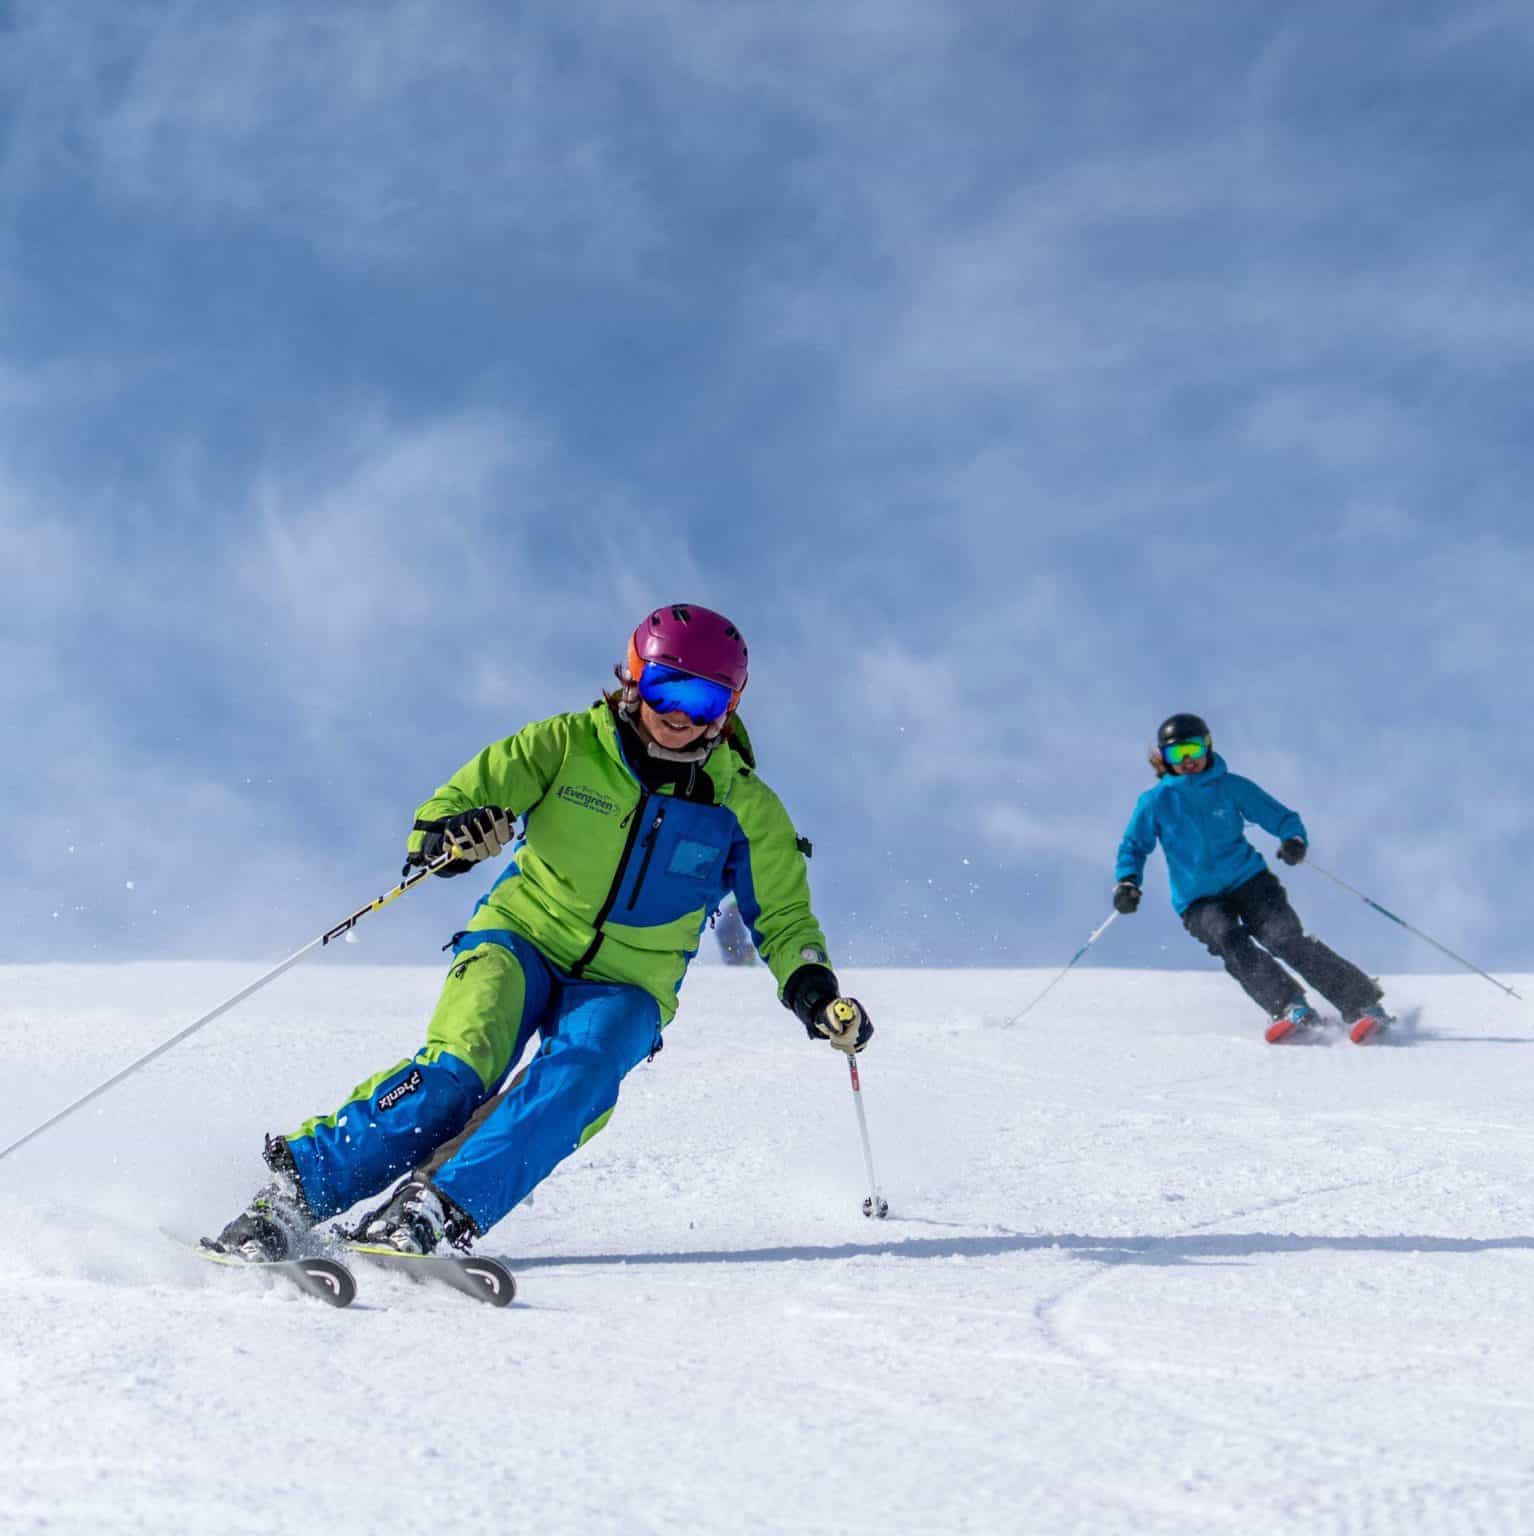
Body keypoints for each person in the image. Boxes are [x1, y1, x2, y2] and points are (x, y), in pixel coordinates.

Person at [209, 603, 872, 1260]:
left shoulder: (747, 808)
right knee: (461, 1068)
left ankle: (434, 1207)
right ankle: (293, 1198)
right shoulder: (565, 745)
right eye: (667, 688)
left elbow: (784, 920)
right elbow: (455, 804)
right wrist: (455, 835)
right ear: (635, 679)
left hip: (629, 983)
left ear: (729, 708)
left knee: (580, 1076)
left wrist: (815, 991)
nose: (680, 715)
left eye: (704, 701)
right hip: (519, 937)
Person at [1112, 713, 1392, 1044]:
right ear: (1164, 758)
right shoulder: (1156, 802)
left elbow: (1280, 816)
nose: (1188, 761)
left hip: (1250, 881)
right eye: (1177, 754)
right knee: (1228, 938)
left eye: (1194, 750)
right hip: (1197, 898)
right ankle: (1289, 1006)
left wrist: (1292, 840)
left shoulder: (1231, 787)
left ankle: (1362, 1003)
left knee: (1283, 938)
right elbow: (1134, 845)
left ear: (1208, 747)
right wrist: (1128, 882)